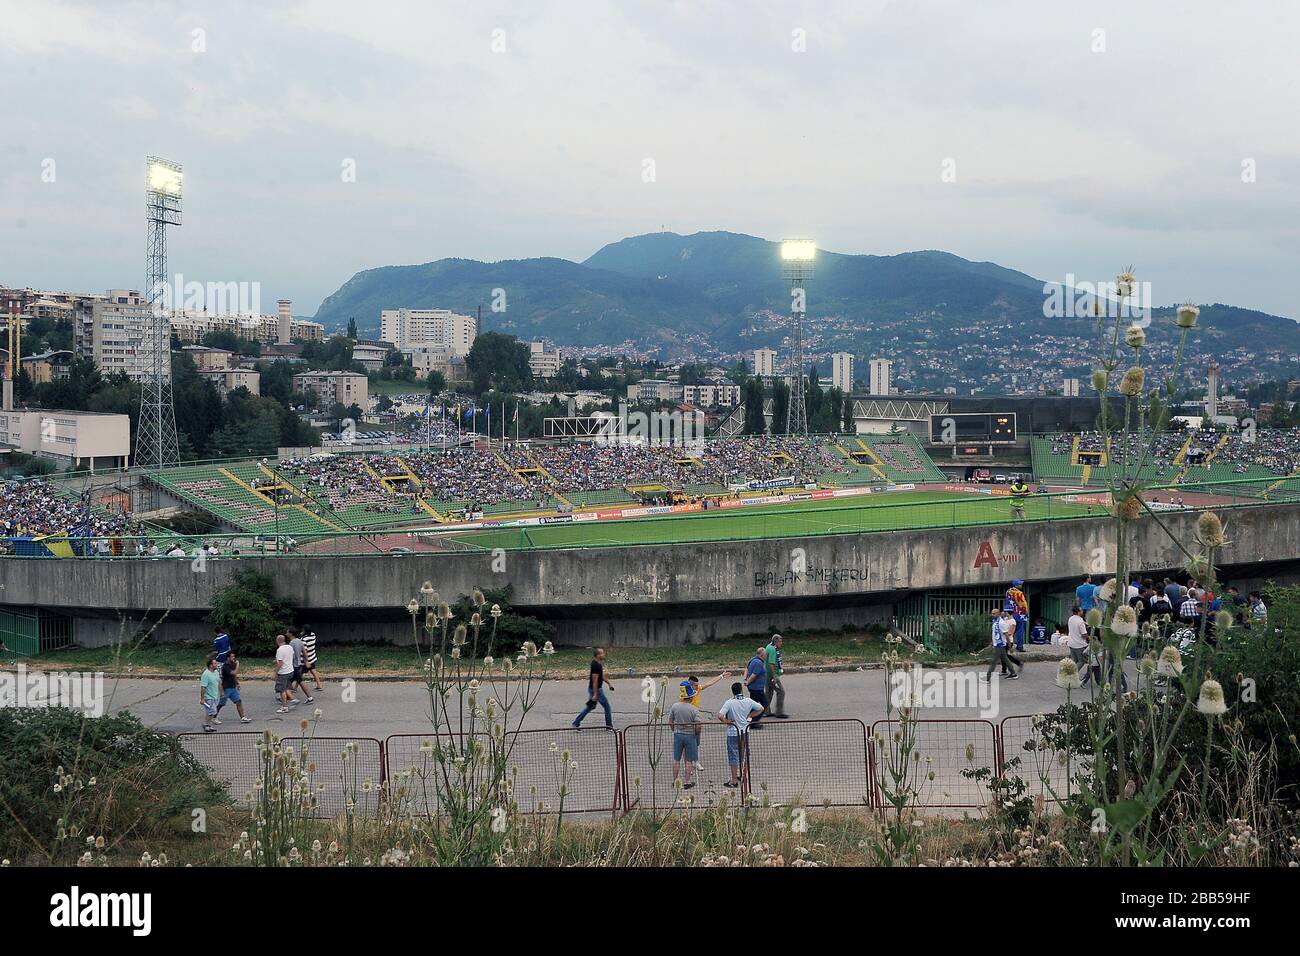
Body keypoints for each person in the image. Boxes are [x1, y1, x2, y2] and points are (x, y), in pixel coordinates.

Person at [680, 671, 730, 773]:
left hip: (696, 719)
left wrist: (721, 676)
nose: (698, 686)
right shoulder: (684, 696)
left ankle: (696, 761)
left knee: (696, 742)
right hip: (687, 720)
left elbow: (709, 683)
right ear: (691, 685)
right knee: (686, 744)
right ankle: (687, 764)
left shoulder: (697, 689)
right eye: (696, 685)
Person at [718, 682, 764, 789]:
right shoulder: (748, 701)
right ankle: (744, 775)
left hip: (733, 732)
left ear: (732, 691)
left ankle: (734, 779)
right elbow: (761, 708)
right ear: (741, 690)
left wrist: (727, 721)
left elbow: (720, 715)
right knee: (744, 753)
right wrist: (750, 715)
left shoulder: (729, 702)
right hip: (744, 731)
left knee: (733, 755)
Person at [668, 686, 701, 790]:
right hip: (690, 735)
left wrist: (674, 729)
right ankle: (687, 782)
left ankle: (675, 781)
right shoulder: (694, 709)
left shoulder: (675, 706)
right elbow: (698, 725)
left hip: (678, 734)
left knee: (676, 759)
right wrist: (696, 733)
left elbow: (670, 721)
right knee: (688, 760)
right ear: (691, 698)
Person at [573, 647, 614, 728]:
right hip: (596, 690)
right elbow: (595, 680)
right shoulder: (595, 665)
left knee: (590, 707)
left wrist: (609, 684)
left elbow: (601, 676)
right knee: (607, 707)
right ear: (598, 655)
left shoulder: (598, 663)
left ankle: (576, 723)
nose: (604, 654)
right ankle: (609, 725)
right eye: (602, 653)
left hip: (594, 689)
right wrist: (595, 694)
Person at [983, 608, 1020, 682]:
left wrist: (1009, 646)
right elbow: (995, 634)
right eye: (992, 613)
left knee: (993, 661)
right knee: (1005, 659)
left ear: (998, 613)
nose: (992, 615)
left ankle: (987, 678)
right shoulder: (995, 622)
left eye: (994, 613)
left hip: (1000, 645)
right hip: (997, 644)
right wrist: (992, 642)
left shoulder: (1001, 623)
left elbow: (1007, 635)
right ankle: (1013, 673)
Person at [215, 649, 252, 724]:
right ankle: (213, 717)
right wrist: (238, 664)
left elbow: (234, 675)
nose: (234, 658)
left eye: (234, 656)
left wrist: (237, 683)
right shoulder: (225, 666)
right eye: (232, 657)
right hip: (226, 688)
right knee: (221, 704)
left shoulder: (232, 664)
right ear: (228, 658)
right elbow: (234, 672)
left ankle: (243, 717)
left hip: (233, 687)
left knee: (238, 701)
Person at [287, 628, 315, 704]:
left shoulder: (292, 643)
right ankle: (288, 696)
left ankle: (309, 698)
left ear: (291, 633)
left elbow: (290, 655)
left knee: (299, 681)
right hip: (299, 664)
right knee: (289, 681)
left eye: (287, 632)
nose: (286, 633)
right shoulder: (300, 641)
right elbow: (305, 652)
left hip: (294, 665)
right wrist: (306, 662)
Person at [743, 646, 769, 727]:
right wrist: (747, 682)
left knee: (753, 705)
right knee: (764, 704)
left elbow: (746, 669)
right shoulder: (759, 663)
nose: (766, 656)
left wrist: (745, 679)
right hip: (757, 688)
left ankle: (747, 719)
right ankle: (753, 722)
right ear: (762, 655)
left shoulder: (753, 659)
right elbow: (754, 675)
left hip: (753, 687)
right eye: (765, 655)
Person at [764, 634, 788, 718]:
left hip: (766, 674)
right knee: (781, 692)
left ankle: (766, 711)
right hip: (771, 675)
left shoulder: (769, 646)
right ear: (776, 641)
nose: (781, 643)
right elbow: (771, 664)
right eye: (780, 641)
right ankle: (779, 712)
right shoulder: (773, 650)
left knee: (768, 693)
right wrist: (774, 676)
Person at [273, 633, 296, 714]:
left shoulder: (279, 650)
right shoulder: (289, 647)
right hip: (290, 670)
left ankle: (284, 707)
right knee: (286, 687)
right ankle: (293, 700)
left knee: (281, 690)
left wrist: (276, 672)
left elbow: (280, 663)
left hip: (283, 672)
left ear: (277, 641)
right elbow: (290, 657)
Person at [1004, 579, 1029, 651]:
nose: (1021, 585)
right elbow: (1023, 605)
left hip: (1010, 613)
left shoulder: (1008, 592)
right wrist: (1025, 614)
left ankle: (1006, 645)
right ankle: (1020, 647)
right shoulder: (1019, 593)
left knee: (1009, 631)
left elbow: (1007, 602)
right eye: (1020, 584)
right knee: (1020, 631)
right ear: (1016, 585)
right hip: (1020, 614)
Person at [200, 655, 221, 732]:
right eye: (215, 663)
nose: (217, 665)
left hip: (215, 695)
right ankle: (207, 725)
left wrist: (221, 692)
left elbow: (218, 682)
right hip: (208, 697)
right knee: (213, 711)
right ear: (211, 665)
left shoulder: (216, 672)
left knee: (210, 712)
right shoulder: (206, 674)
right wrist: (202, 699)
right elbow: (203, 687)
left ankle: (207, 725)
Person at [301, 624, 322, 690]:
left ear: (304, 631)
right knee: (313, 670)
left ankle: (293, 688)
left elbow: (305, 651)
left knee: (298, 674)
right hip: (312, 657)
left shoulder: (303, 639)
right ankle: (319, 685)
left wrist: (306, 661)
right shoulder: (313, 635)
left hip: (305, 660)